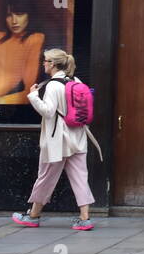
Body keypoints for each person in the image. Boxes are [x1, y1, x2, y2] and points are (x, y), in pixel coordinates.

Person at [12, 49, 96, 231]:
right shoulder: (76, 81)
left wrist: (33, 96)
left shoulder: (52, 85)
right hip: (78, 136)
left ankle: (33, 216)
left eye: (45, 61)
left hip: (57, 140)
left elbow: (48, 111)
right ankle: (85, 218)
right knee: (81, 177)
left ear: (52, 64)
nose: (43, 64)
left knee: (46, 177)